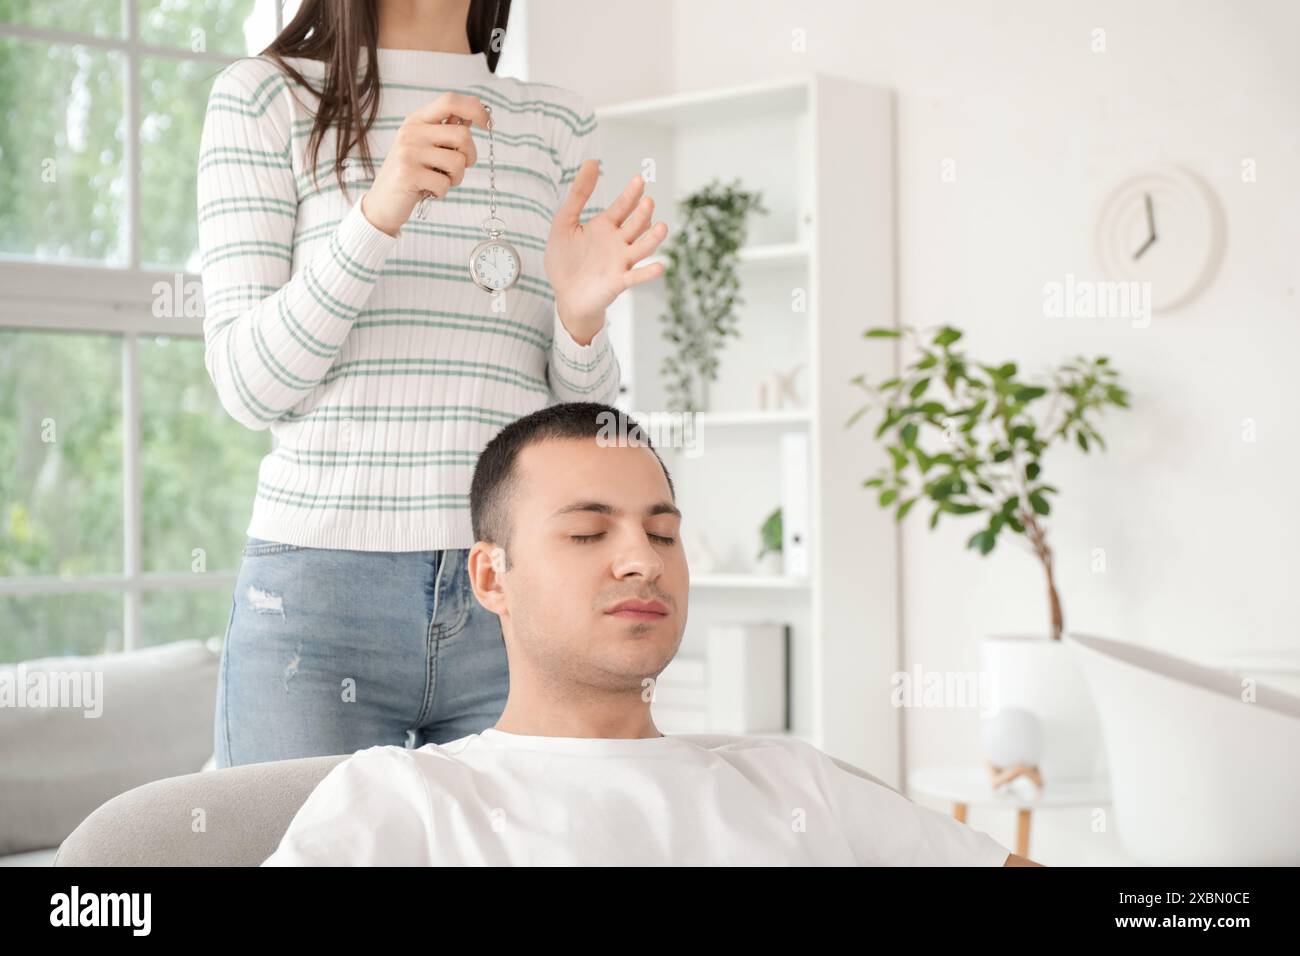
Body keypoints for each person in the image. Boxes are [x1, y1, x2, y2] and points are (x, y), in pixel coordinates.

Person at [263, 402, 1040, 866]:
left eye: (662, 534)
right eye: (588, 534)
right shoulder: (406, 801)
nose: (642, 561)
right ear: (492, 577)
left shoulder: (793, 783)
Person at [199, 0, 667, 766]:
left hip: (518, 591)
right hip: (320, 600)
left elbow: (573, 430)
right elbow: (251, 388)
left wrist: (580, 322)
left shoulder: (557, 122)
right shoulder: (266, 96)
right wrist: (377, 215)